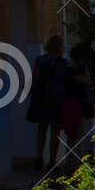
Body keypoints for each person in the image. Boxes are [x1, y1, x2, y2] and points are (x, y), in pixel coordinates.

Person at [24, 36, 70, 171]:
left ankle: (39, 157)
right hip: (56, 100)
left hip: (41, 98)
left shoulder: (40, 60)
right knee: (55, 131)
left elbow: (35, 78)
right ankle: (52, 161)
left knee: (41, 129)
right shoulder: (64, 63)